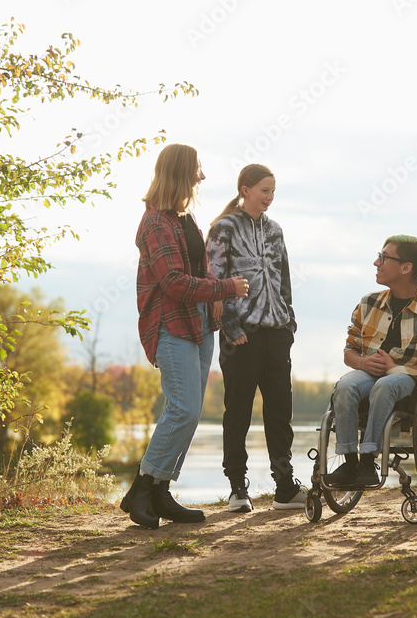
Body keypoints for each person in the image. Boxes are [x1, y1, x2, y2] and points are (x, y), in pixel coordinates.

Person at [120, 143, 249, 529]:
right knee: (184, 410)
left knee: (188, 416)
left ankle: (159, 493)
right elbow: (173, 283)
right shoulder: (156, 223)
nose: (202, 176)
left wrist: (218, 300)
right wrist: (226, 289)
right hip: (169, 324)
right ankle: (140, 489)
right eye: (197, 168)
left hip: (198, 325)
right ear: (180, 171)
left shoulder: (184, 219)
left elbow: (199, 271)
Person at [206, 164, 305, 512]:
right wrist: (232, 329)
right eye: (264, 190)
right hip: (241, 335)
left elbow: (285, 281)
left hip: (277, 333)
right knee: (239, 412)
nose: (270, 197)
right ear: (245, 189)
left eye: (273, 191)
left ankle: (284, 486)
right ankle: (237, 488)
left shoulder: (275, 230)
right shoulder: (224, 228)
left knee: (280, 411)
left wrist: (289, 324)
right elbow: (214, 282)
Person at [327, 235, 417, 486]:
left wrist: (396, 368)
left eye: (384, 257)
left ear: (406, 267)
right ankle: (349, 462)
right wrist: (363, 363)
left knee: (386, 384)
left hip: (410, 380)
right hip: (368, 373)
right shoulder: (368, 303)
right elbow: (350, 352)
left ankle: (368, 459)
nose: (376, 262)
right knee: (345, 386)